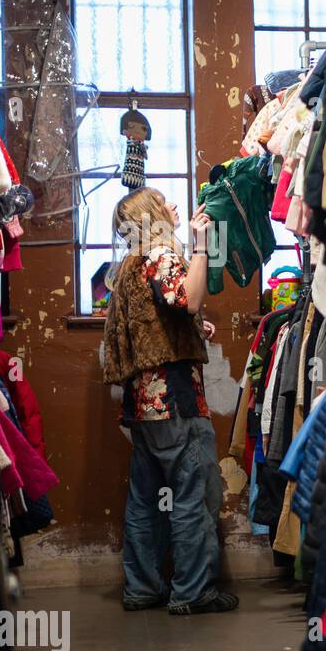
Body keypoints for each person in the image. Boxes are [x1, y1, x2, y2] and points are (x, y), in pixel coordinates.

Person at [100, 186, 238, 614]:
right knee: (193, 495)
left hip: (142, 403)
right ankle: (193, 592)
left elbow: (158, 321)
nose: (175, 206)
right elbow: (189, 298)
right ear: (151, 216)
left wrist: (196, 330)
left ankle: (142, 588)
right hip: (174, 399)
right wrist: (199, 245)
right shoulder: (161, 255)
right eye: (165, 201)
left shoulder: (128, 264)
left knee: (145, 499)